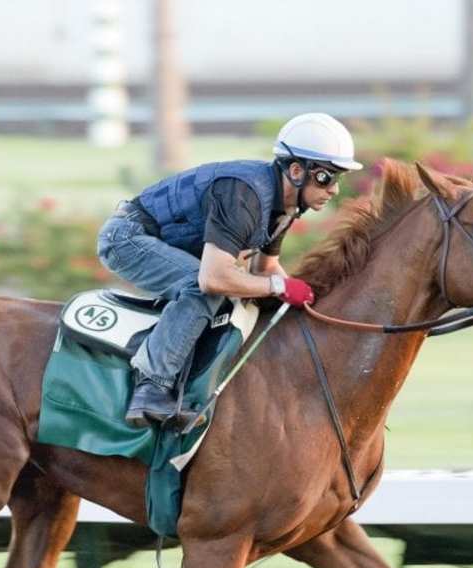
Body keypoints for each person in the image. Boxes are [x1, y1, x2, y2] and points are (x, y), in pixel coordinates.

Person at [96, 112, 363, 428]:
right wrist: (279, 288)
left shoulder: (286, 208)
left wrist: (302, 301)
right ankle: (151, 388)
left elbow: (266, 268)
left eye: (338, 178)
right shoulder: (244, 195)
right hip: (127, 237)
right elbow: (214, 278)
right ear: (296, 170)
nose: (333, 189)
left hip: (162, 242)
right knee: (201, 289)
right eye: (327, 177)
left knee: (245, 295)